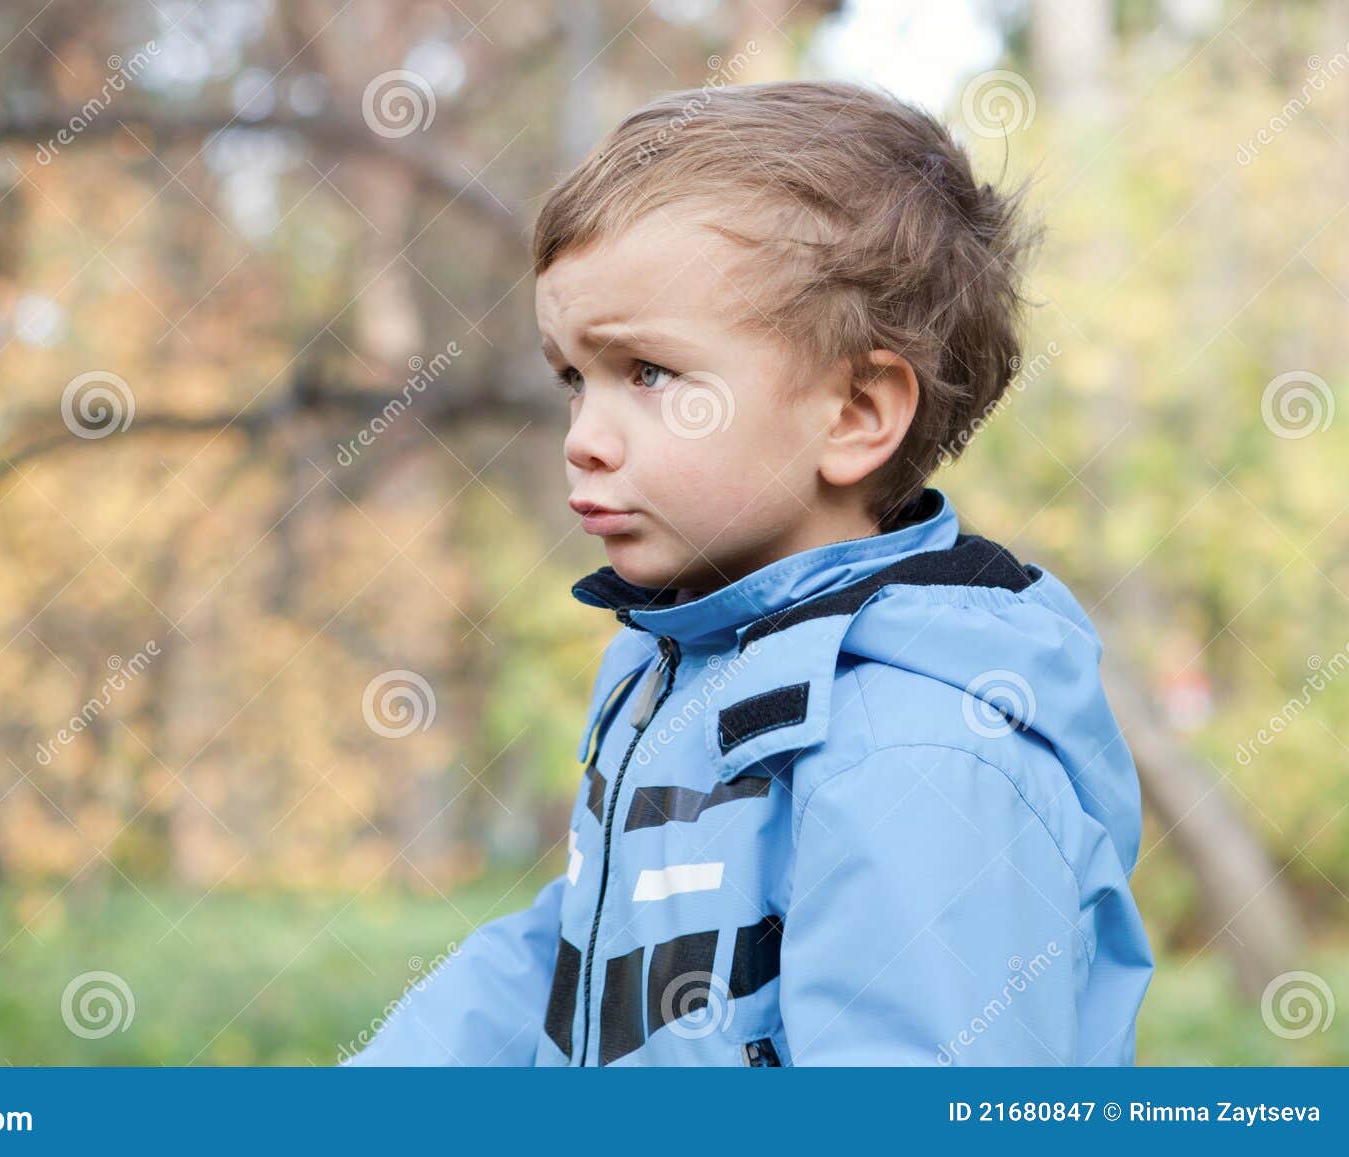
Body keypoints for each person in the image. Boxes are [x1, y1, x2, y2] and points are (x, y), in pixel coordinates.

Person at [343, 79, 1153, 1067]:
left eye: (647, 372)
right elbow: (582, 960)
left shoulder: (918, 750)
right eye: (573, 378)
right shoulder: (670, 663)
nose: (582, 437)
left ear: (854, 413)